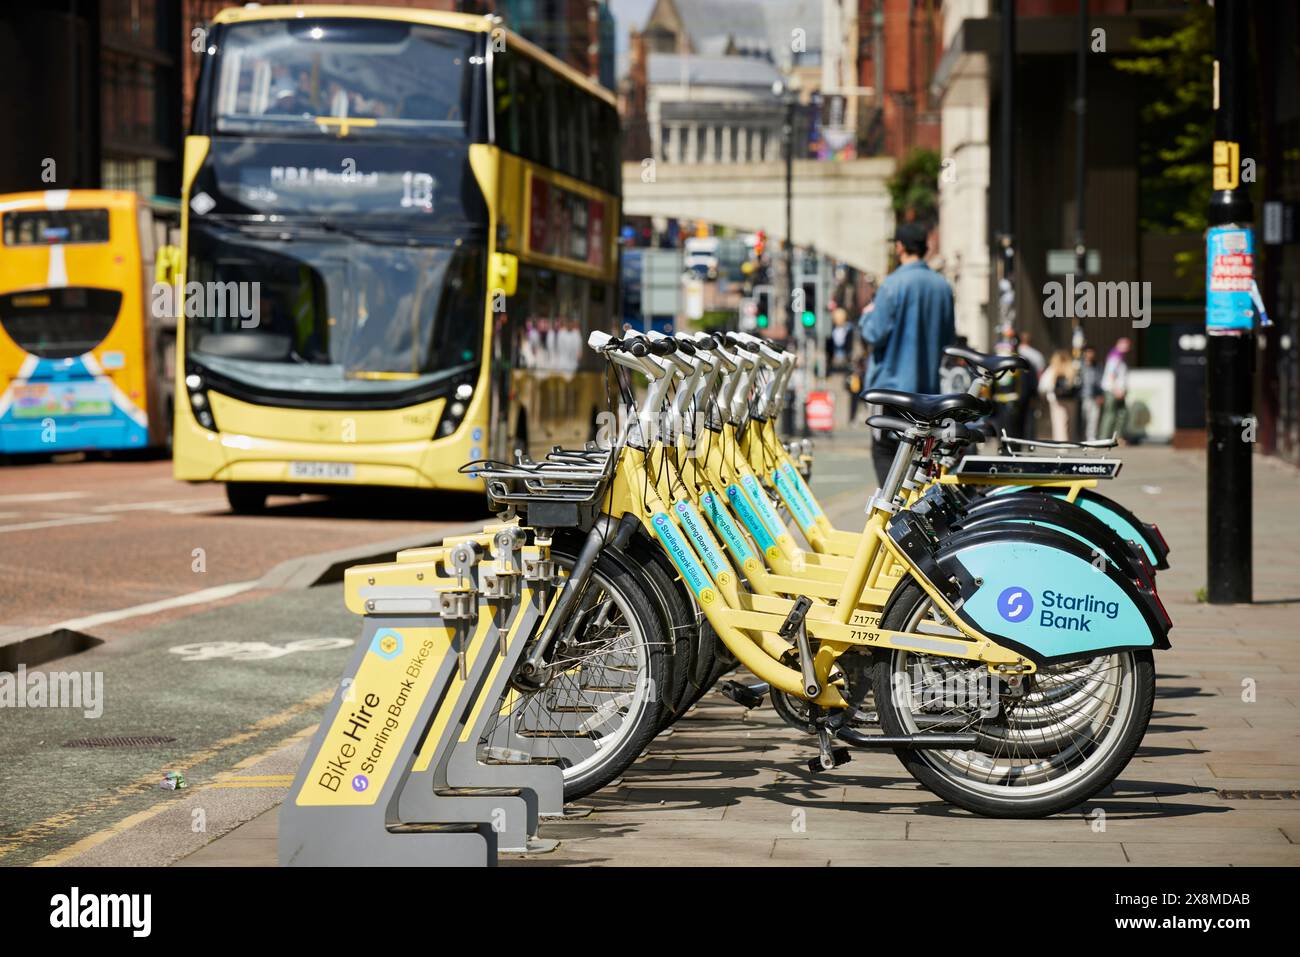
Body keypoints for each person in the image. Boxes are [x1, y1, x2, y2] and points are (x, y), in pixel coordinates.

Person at [858, 221, 955, 484]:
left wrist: (866, 317)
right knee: (920, 461)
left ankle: (893, 520)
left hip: (891, 393)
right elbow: (948, 341)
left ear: (899, 247)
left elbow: (874, 334)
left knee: (886, 455)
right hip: (928, 394)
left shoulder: (892, 284)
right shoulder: (942, 287)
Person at [1039, 350, 1078, 441]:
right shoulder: (1072, 368)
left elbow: (1043, 386)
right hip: (1071, 400)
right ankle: (1069, 443)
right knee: (1070, 424)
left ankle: (1062, 446)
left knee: (1059, 424)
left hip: (1057, 401)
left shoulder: (1052, 369)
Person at [1099, 337, 1131, 441]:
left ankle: (1117, 437)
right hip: (1112, 390)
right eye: (1124, 344)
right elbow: (1111, 375)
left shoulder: (1121, 358)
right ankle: (1103, 438)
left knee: (1122, 413)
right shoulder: (1114, 357)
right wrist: (1116, 389)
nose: (1127, 347)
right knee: (1110, 415)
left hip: (1119, 391)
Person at [1079, 346, 1102, 441]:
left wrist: (1100, 394)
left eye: (1091, 353)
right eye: (1088, 352)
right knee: (1082, 419)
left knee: (1093, 419)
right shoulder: (1079, 365)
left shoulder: (1098, 366)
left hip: (1093, 396)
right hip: (1081, 396)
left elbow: (1100, 381)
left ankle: (1091, 438)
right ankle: (1080, 438)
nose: (1090, 355)